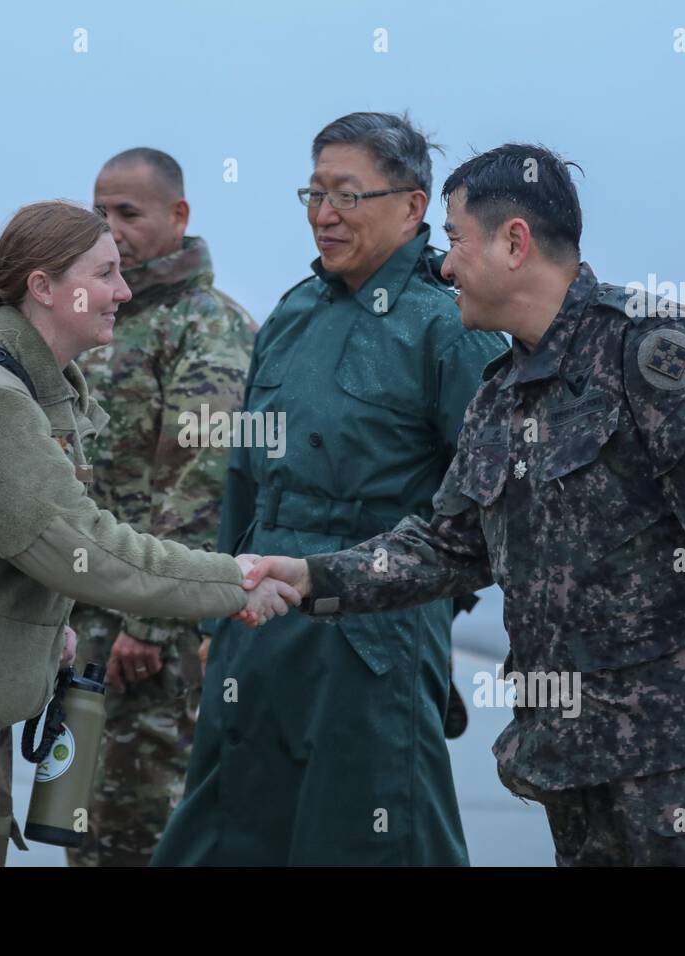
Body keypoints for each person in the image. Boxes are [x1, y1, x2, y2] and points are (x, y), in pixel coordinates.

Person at [245, 143, 685, 867]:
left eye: (453, 241)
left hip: (678, 755)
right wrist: (313, 577)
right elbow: (449, 544)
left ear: (514, 242)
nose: (443, 268)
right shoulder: (503, 393)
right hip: (568, 750)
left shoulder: (654, 355)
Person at [0, 200, 299, 866]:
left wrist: (37, 631)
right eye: (104, 274)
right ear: (43, 287)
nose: (123, 292)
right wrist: (230, 580)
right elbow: (81, 549)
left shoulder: (37, 394)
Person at [151, 113, 507, 867]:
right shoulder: (291, 314)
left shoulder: (449, 324)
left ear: (412, 206)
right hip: (259, 615)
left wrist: (432, 605)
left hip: (374, 631)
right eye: (313, 194)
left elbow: (489, 504)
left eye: (346, 195)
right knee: (228, 828)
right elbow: (244, 480)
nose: (323, 215)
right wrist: (219, 609)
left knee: (371, 833)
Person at [67, 148, 256, 866]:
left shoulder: (206, 326)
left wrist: (147, 619)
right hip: (88, 626)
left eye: (127, 213)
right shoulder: (98, 324)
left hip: (155, 642)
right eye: (98, 213)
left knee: (142, 829)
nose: (109, 229)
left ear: (179, 216)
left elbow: (202, 483)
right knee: (77, 822)